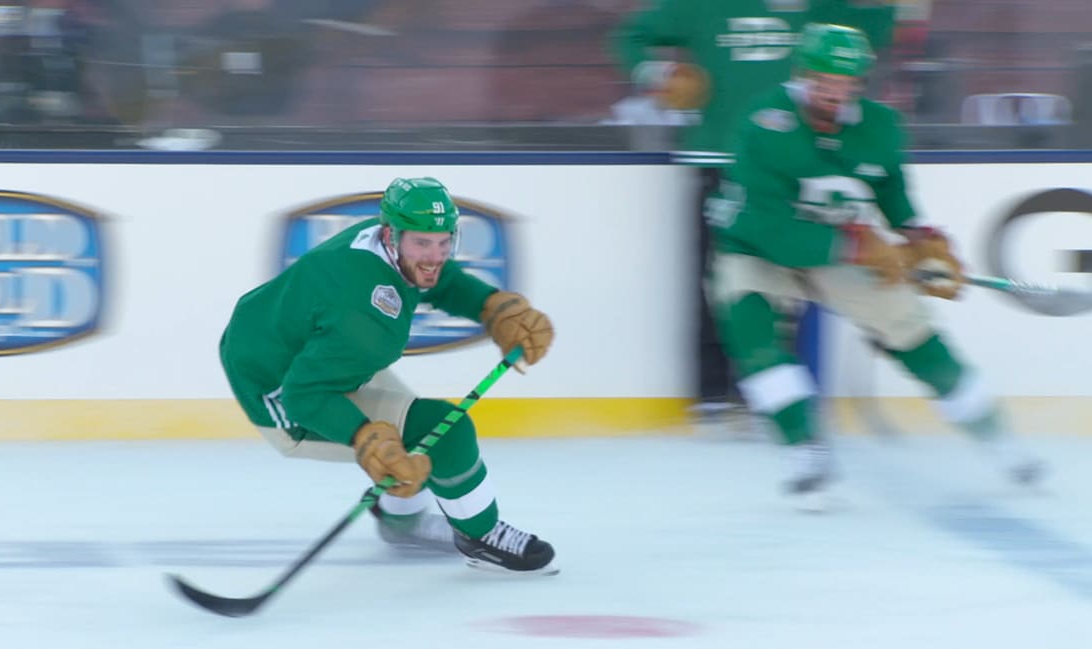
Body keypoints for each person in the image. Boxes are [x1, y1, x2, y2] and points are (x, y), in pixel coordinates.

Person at [705, 23, 1043, 510]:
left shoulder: (880, 125)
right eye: (823, 82)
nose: (834, 94)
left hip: (844, 241)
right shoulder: (764, 124)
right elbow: (768, 225)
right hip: (754, 246)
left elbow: (891, 188)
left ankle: (1001, 441)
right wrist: (858, 248)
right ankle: (805, 452)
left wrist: (918, 238)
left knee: (912, 329)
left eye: (845, 84)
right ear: (802, 76)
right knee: (752, 335)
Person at [218, 177, 558, 574]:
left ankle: (401, 522)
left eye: (444, 241)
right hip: (277, 387)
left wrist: (491, 307)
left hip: (300, 344)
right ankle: (480, 537)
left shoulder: (379, 243)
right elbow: (304, 396)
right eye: (422, 244)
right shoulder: (363, 321)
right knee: (445, 433)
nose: (435, 255)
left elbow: (440, 279)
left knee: (411, 432)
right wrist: (369, 442)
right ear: (391, 236)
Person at [611, 1, 897, 430]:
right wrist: (658, 74)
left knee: (794, 279)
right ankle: (712, 393)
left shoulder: (816, 6)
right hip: (716, 158)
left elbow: (876, 26)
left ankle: (772, 393)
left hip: (788, 166)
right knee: (716, 282)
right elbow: (631, 36)